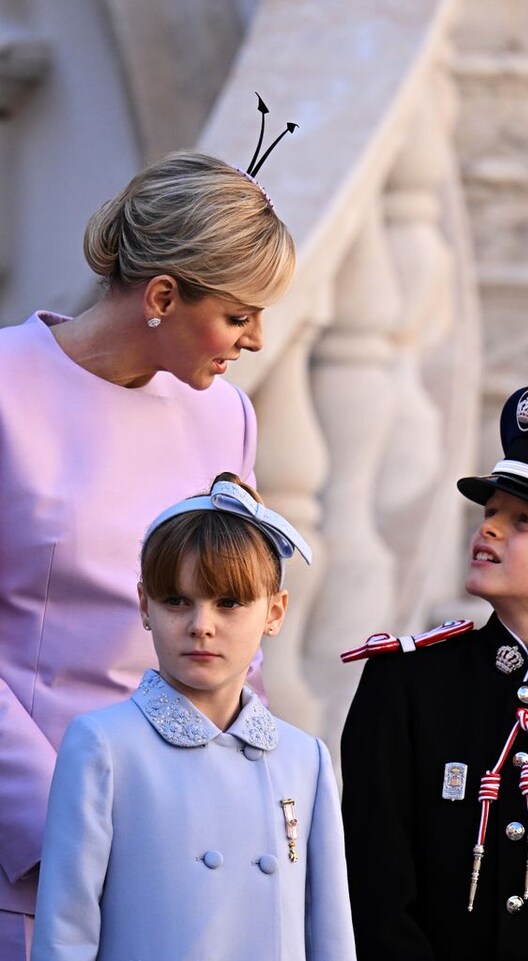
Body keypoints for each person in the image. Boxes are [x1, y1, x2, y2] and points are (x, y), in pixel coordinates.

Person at [0, 142, 295, 958]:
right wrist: (71, 823)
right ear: (162, 294)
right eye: (239, 316)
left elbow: (241, 640)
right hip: (28, 859)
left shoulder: (226, 417)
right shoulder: (4, 387)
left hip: (187, 856)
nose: (258, 339)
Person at [341, 384, 528, 961]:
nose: (489, 529)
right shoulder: (405, 684)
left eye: (524, 520)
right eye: (491, 512)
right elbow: (373, 885)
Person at [31, 472, 357, 961]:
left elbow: (331, 938)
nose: (201, 625)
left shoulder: (304, 759)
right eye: (177, 601)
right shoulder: (104, 745)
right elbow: (66, 935)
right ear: (144, 604)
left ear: (275, 611)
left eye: (229, 603)